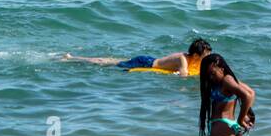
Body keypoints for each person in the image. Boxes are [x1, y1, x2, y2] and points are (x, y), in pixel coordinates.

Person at [199, 53, 255, 136]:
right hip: (232, 129)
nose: (211, 77)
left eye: (213, 73)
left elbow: (247, 96)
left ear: (222, 69)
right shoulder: (229, 80)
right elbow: (251, 92)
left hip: (222, 129)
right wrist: (246, 114)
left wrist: (241, 119)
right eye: (208, 75)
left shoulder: (227, 80)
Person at [62, 38, 211, 76]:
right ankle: (73, 59)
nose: (209, 56)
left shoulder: (194, 59)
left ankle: (73, 57)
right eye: (206, 54)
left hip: (149, 59)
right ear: (197, 54)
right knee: (109, 64)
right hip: (146, 63)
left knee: (114, 61)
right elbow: (183, 75)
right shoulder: (183, 59)